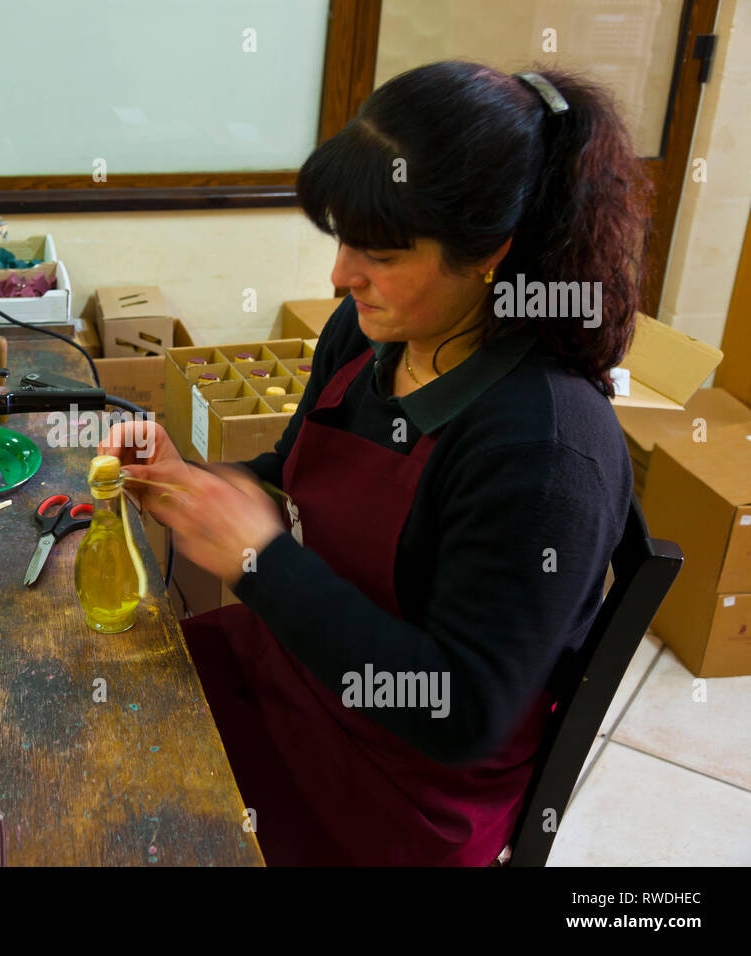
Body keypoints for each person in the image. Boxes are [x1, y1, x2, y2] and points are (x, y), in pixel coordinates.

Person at [100, 61, 648, 866]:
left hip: (401, 792)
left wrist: (263, 561)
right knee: (89, 707)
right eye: (344, 238)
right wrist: (193, 481)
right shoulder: (367, 337)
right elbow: (291, 473)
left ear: (490, 250)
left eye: (381, 252)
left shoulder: (545, 447)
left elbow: (460, 711)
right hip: (291, 673)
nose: (340, 274)